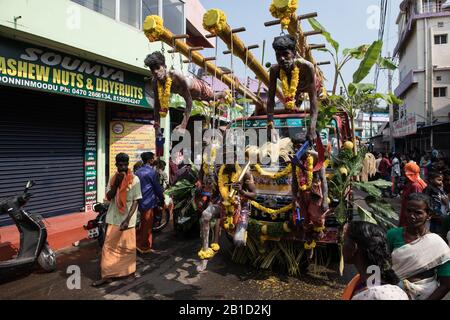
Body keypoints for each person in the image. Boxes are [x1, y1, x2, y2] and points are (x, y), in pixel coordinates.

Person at [387, 193, 450, 300]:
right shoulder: (392, 235)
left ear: (428, 215)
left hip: (425, 294)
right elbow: (381, 264)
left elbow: (446, 284)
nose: (412, 215)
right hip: (393, 293)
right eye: (409, 211)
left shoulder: (437, 244)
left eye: (418, 213)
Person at [92, 153, 142, 287]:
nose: (123, 167)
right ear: (116, 165)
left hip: (128, 220)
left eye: (125, 165)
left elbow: (136, 201)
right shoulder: (113, 178)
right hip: (114, 218)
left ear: (128, 164)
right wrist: (116, 184)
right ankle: (107, 275)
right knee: (108, 247)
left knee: (128, 248)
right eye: (120, 165)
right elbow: (109, 196)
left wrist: (127, 220)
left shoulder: (135, 179)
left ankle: (130, 273)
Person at [144, 51, 227, 131]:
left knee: (213, 96)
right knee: (208, 101)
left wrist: (183, 125)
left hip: (199, 88)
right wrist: (157, 124)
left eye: (158, 68)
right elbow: (157, 105)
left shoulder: (176, 76)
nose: (155, 72)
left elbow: (189, 101)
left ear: (165, 67)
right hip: (194, 97)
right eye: (152, 70)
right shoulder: (155, 82)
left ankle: (223, 93)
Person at [266, 34, 318, 142]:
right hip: (293, 93)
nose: (282, 58)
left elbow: (313, 100)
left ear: (294, 54)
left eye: (286, 54)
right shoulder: (275, 70)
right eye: (278, 55)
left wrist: (312, 127)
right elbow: (270, 100)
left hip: (309, 87)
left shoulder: (306, 67)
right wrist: (270, 125)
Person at [342, 221, 409, 300]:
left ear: (354, 247)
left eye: (343, 240)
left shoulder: (376, 294)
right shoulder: (362, 281)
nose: (340, 245)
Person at [135, 152, 164, 254]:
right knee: (147, 225)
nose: (154, 159)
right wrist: (162, 198)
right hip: (148, 201)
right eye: (153, 158)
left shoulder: (137, 171)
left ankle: (140, 243)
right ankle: (144, 247)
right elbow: (157, 188)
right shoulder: (151, 172)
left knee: (143, 224)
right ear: (150, 160)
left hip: (139, 201)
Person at [399, 162, 427, 227]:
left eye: (405, 171)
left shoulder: (415, 185)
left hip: (410, 217)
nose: (403, 172)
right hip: (406, 213)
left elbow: (418, 204)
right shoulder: (410, 183)